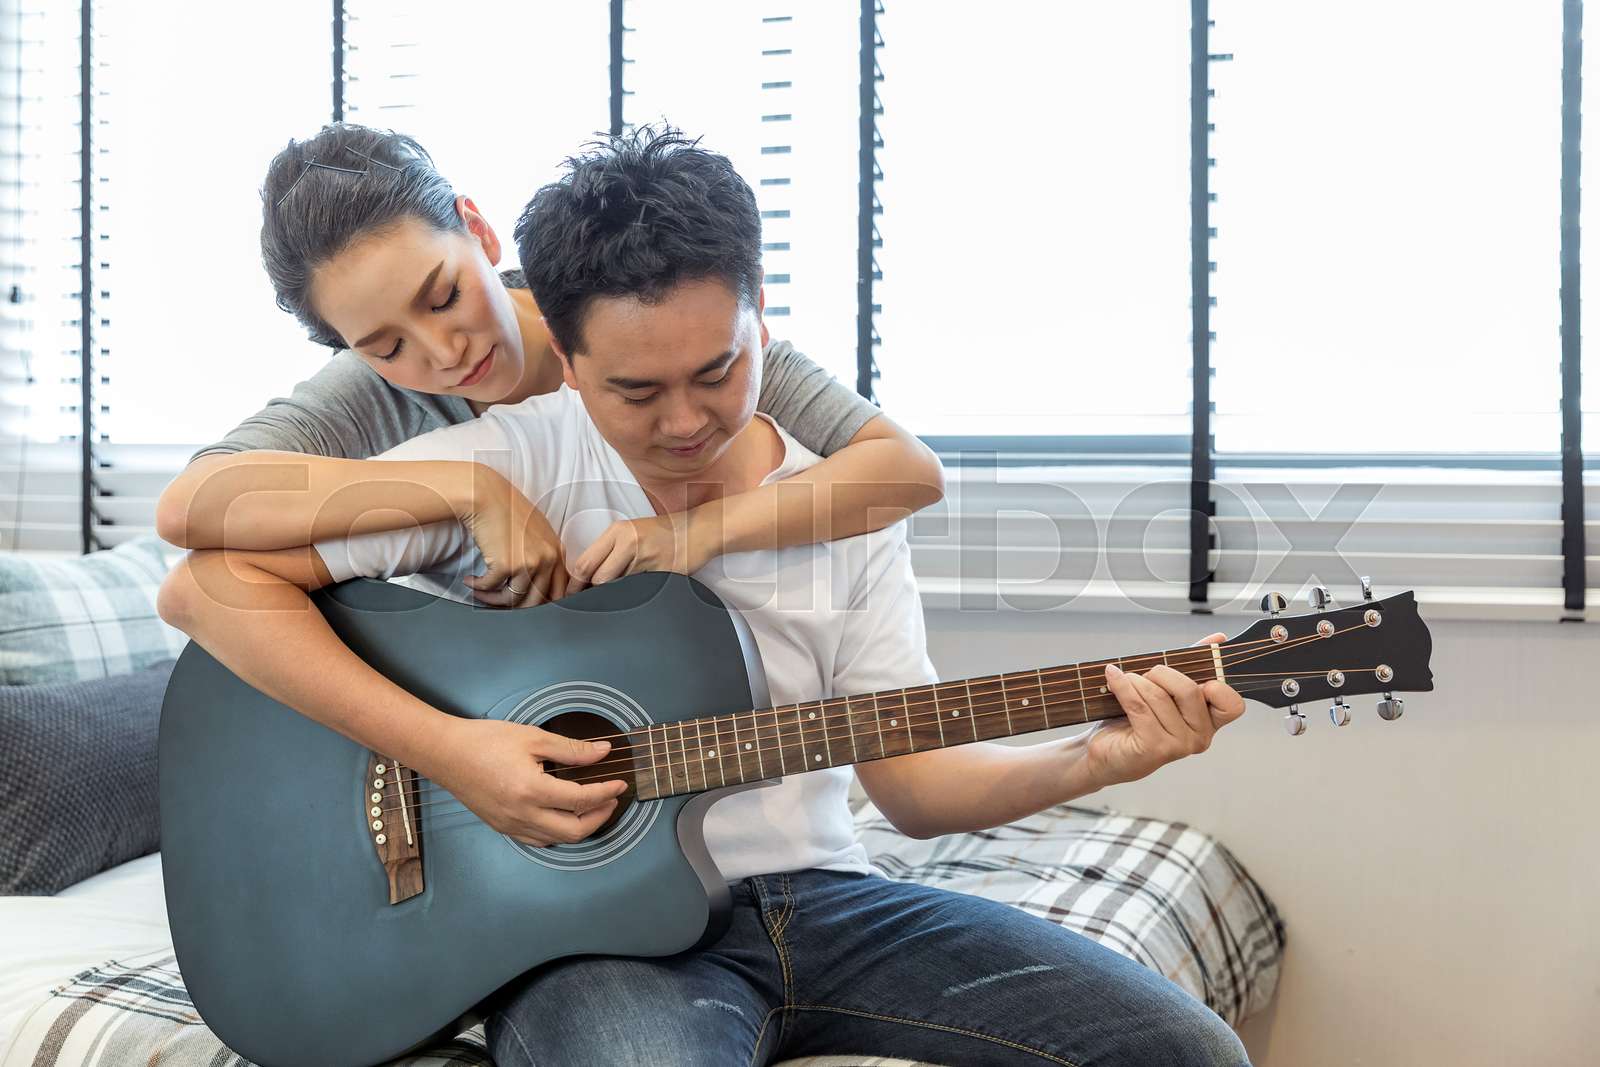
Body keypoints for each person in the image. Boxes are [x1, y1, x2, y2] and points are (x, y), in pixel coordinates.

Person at [158, 126, 1250, 1067]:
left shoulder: (833, 503)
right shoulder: (518, 456)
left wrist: (1089, 759)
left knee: (1187, 1047)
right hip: (594, 935)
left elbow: (912, 788)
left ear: (761, 326)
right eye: (636, 388)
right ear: (571, 363)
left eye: (716, 371)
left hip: (821, 898)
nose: (685, 419)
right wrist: (455, 750)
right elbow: (208, 573)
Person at [154, 123, 945, 602]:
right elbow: (193, 506)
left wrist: (698, 532)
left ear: (479, 231)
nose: (443, 351)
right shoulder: (373, 395)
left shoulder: (633, 322)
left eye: (443, 296)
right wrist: (473, 492)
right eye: (386, 344)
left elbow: (903, 470)